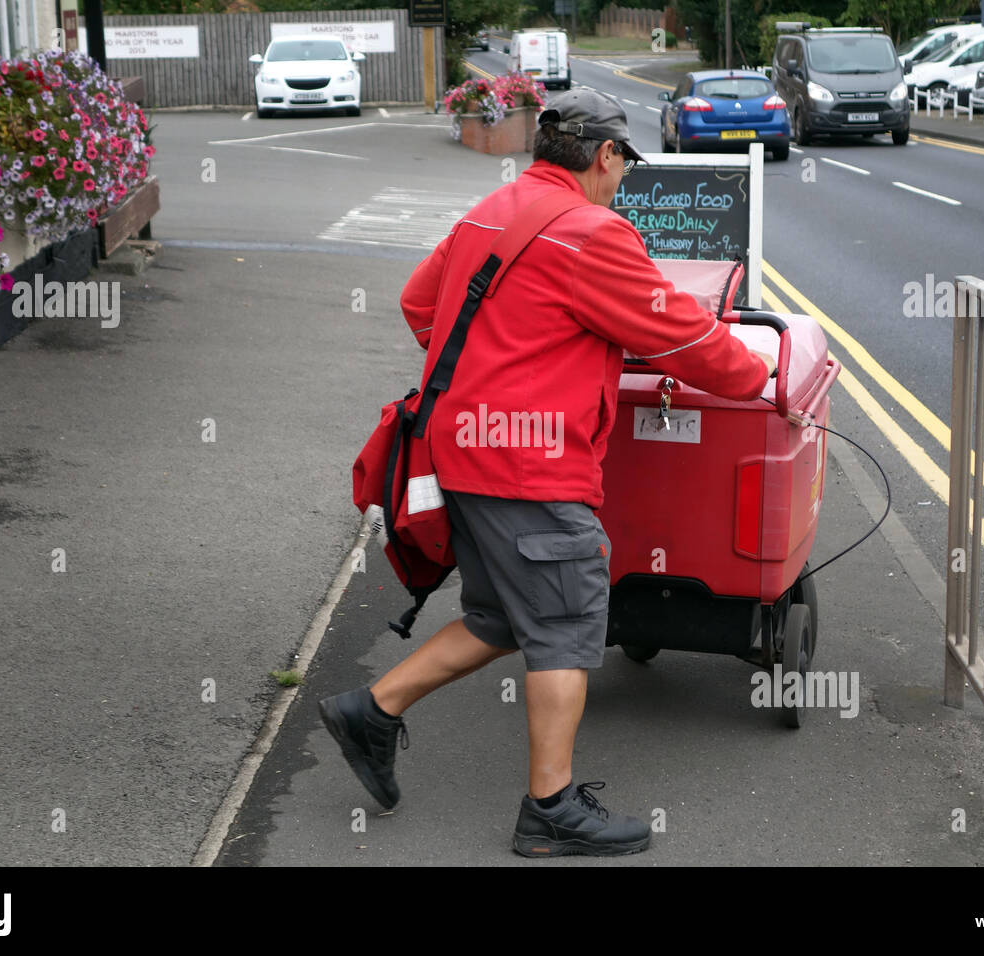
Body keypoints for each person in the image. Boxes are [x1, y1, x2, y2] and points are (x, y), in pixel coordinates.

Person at [319, 89, 775, 858]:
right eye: (624, 164)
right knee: (566, 625)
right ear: (604, 156)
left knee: (504, 618)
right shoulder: (593, 233)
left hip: (457, 450)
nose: (623, 179)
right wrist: (754, 376)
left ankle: (373, 709)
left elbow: (420, 305)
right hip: (528, 464)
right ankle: (550, 812)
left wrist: (502, 361)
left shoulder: (490, 211)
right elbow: (681, 339)